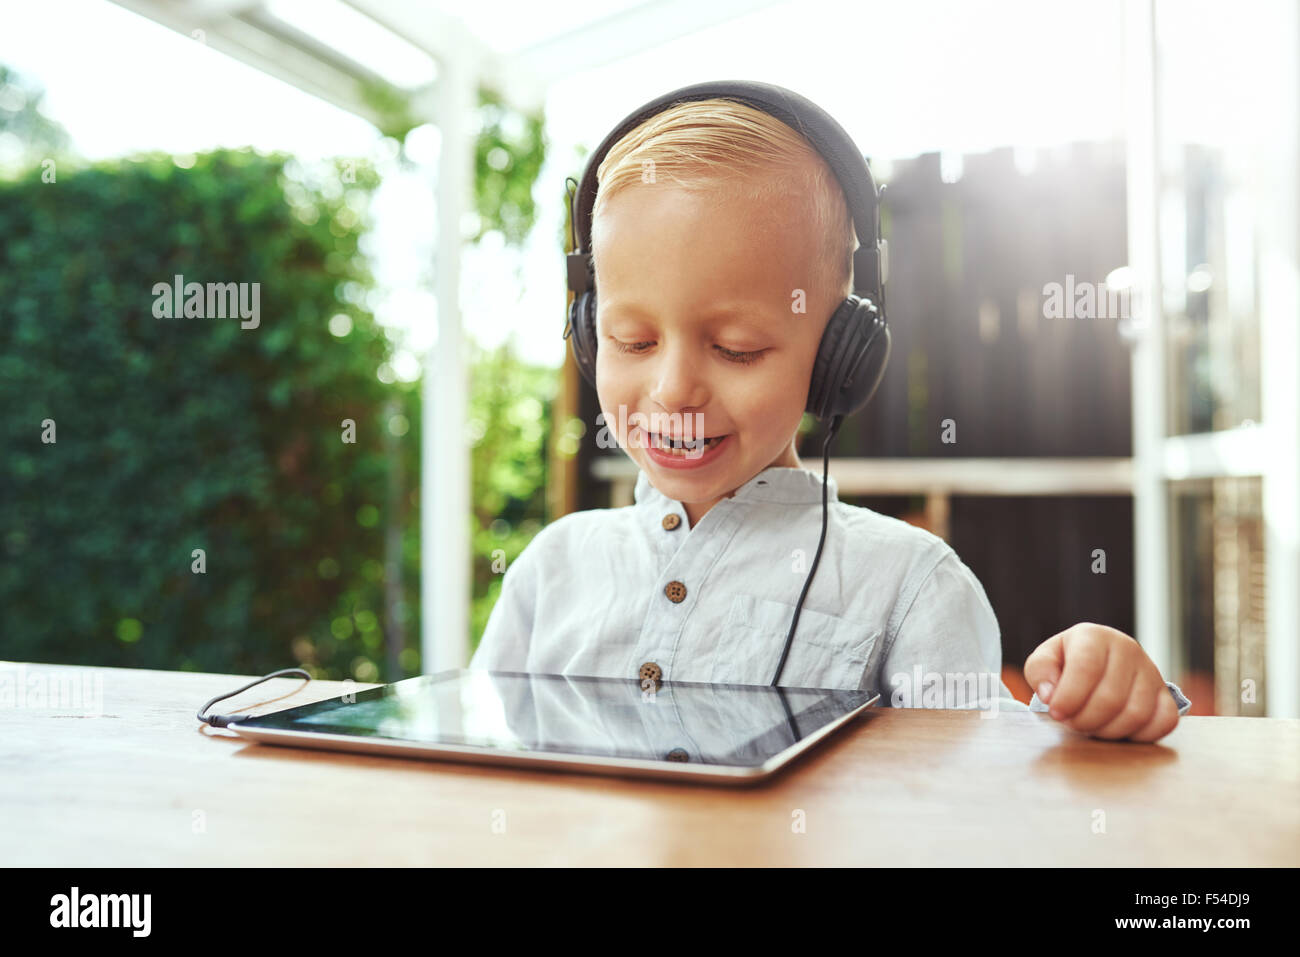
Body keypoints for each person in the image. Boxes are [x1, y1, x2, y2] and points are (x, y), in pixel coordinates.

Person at [470, 88, 1190, 742]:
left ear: (837, 354)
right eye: (634, 341)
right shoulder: (551, 573)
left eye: (735, 347)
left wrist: (1092, 706)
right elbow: (479, 760)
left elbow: (981, 796)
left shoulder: (909, 587)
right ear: (591, 334)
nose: (672, 388)